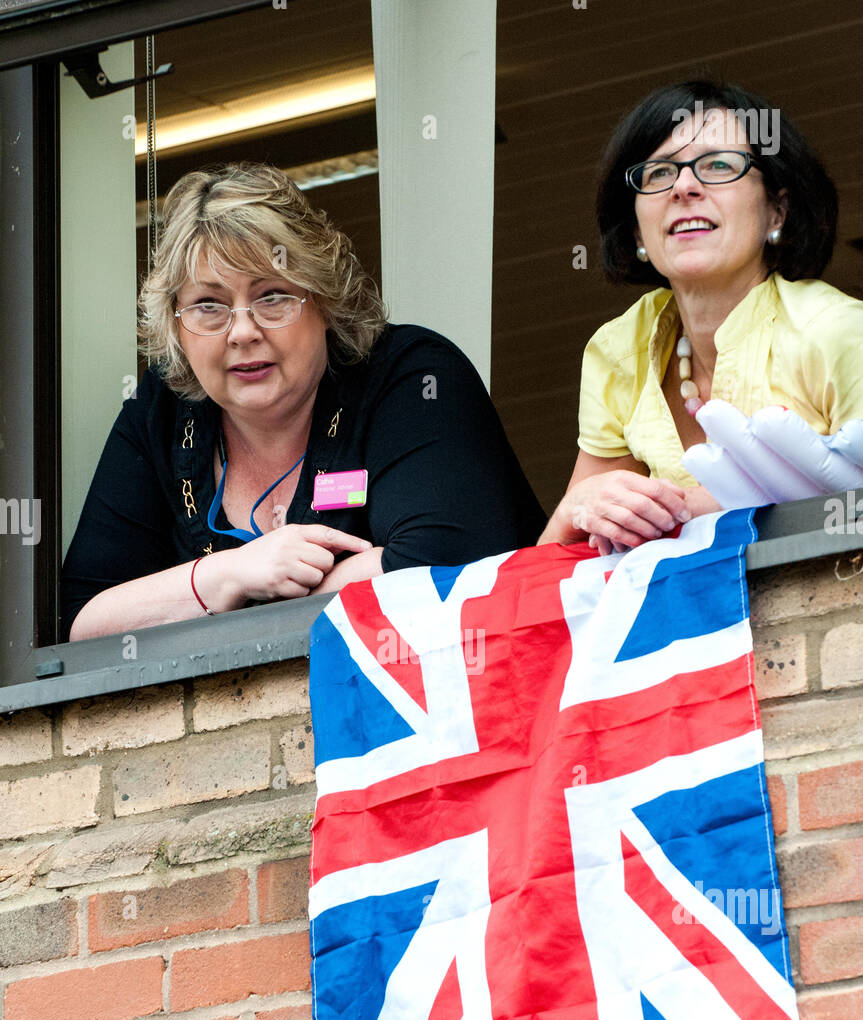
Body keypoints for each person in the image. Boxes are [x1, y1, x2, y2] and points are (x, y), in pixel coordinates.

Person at [62, 163, 545, 641]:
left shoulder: (412, 374)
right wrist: (228, 575)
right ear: (175, 324)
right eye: (208, 305)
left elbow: (446, 565)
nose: (243, 332)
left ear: (324, 298)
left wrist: (223, 608)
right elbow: (84, 623)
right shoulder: (161, 413)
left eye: (272, 296)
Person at [539, 79, 863, 554]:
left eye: (717, 165)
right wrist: (574, 509)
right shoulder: (617, 350)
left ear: (777, 210)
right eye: (658, 173)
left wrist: (695, 509)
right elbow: (557, 570)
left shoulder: (838, 331)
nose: (685, 187)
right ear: (636, 230)